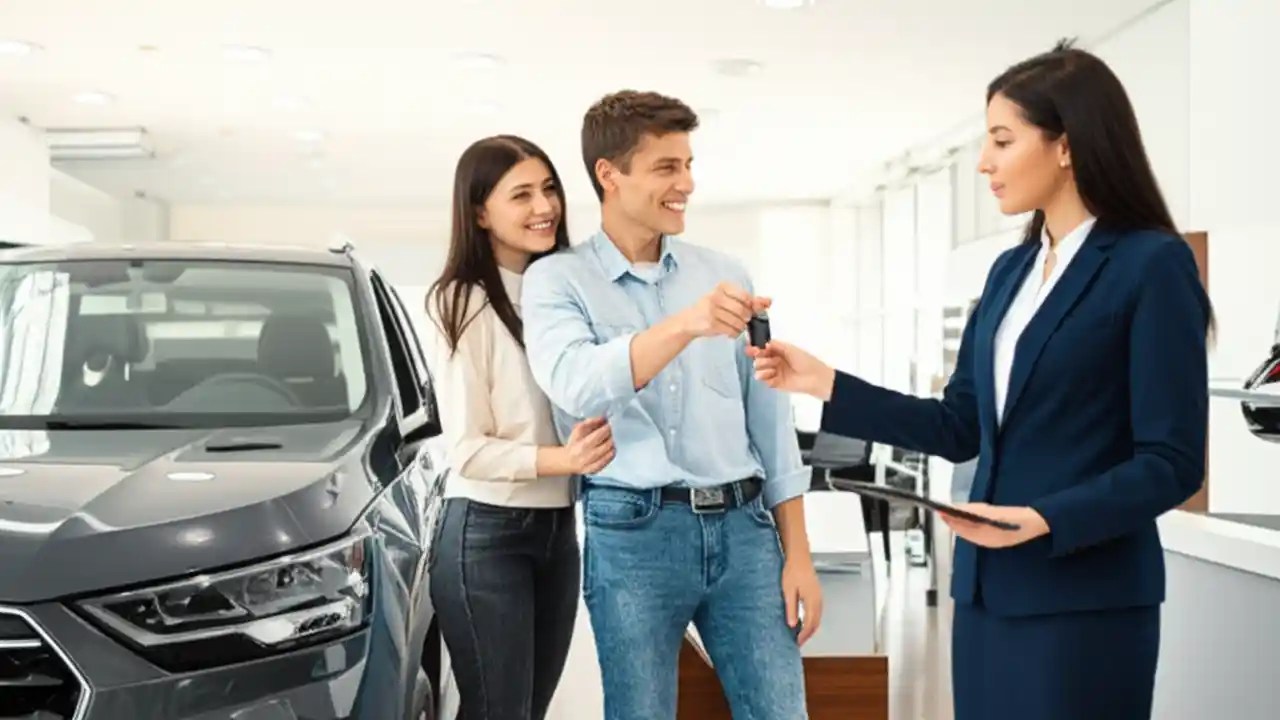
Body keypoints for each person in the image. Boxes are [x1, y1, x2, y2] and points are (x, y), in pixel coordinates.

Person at [750, 41, 1211, 720]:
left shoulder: (1151, 265)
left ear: (1067, 146)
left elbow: (1171, 464)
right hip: (988, 596)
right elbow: (958, 424)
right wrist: (826, 383)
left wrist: (1045, 518)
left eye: (1002, 140)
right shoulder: (1009, 274)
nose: (984, 164)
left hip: (1086, 599)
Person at [521, 90, 823, 720]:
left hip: (746, 534)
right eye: (666, 168)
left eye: (688, 165)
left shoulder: (726, 273)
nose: (686, 183)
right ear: (610, 175)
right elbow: (575, 383)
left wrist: (798, 553)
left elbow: (770, 423)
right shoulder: (557, 280)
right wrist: (686, 325)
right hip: (632, 536)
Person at [425, 135, 616, 720]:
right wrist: (565, 461)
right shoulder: (460, 301)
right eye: (522, 195)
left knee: (527, 712)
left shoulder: (562, 292)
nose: (544, 207)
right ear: (480, 212)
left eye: (550, 189)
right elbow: (467, 450)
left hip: (558, 531)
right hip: (486, 534)